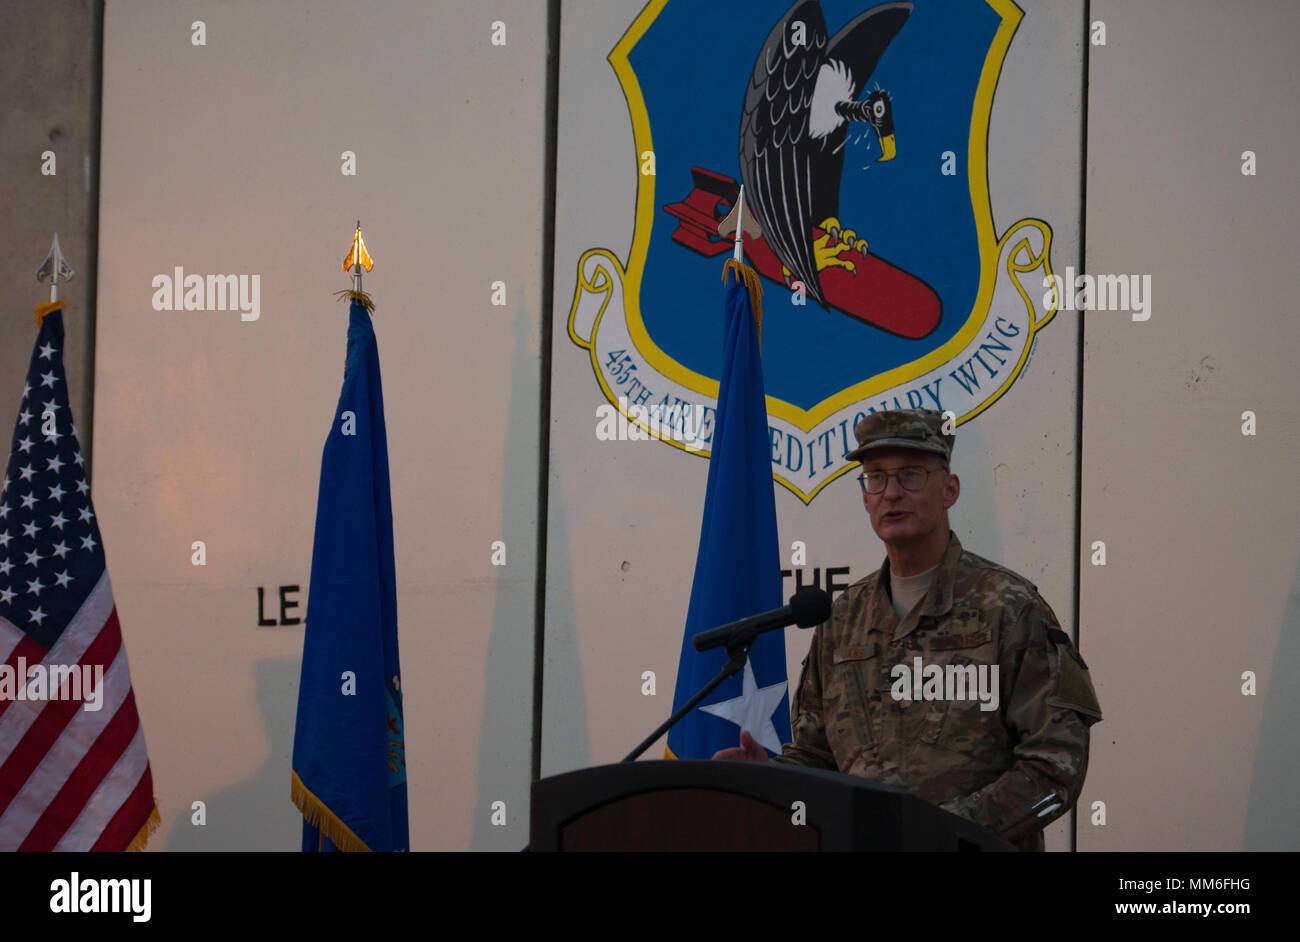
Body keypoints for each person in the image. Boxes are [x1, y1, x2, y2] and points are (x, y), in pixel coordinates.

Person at [713, 409, 1102, 852]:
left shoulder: (1009, 609)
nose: (891, 493)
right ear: (864, 497)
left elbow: (1056, 767)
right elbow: (817, 757)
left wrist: (942, 830)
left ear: (950, 490)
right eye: (875, 478)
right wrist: (773, 776)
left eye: (911, 475)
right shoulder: (843, 618)